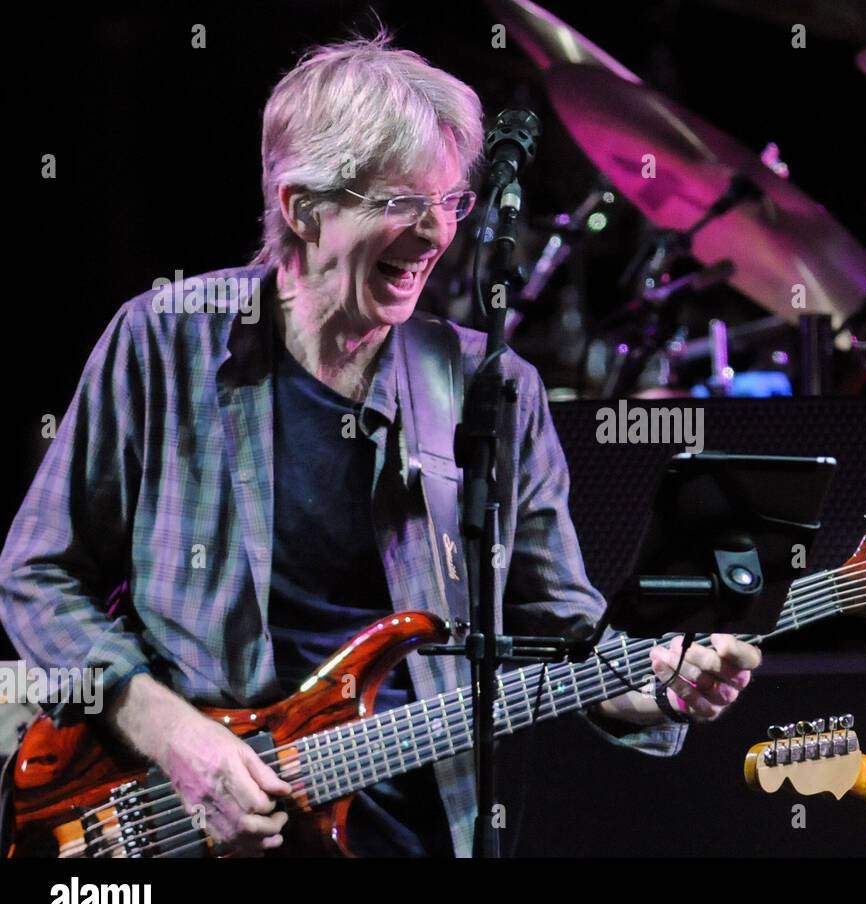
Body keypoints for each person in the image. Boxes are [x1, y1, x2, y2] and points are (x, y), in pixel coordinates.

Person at [0, 33, 759, 858]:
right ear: (301, 207)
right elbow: (39, 576)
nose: (438, 233)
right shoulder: (162, 340)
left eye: (451, 202)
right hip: (179, 825)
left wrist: (664, 687)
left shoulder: (493, 387)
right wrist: (177, 738)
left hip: (417, 835)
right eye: (402, 201)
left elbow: (566, 638)